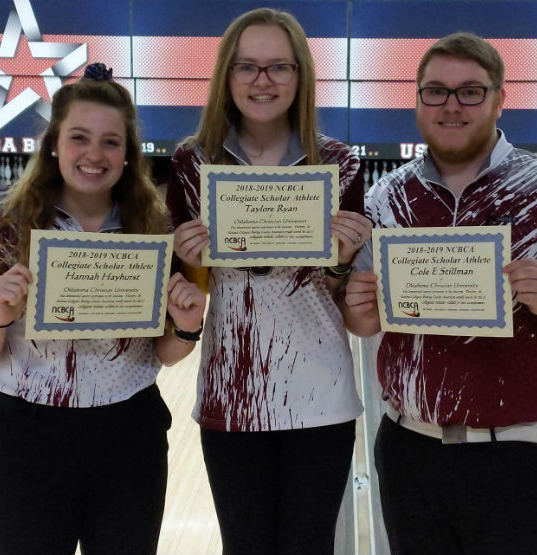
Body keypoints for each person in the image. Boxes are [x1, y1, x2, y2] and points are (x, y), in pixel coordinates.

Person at [344, 33, 537, 555]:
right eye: (436, 91)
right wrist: (361, 308)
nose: (451, 105)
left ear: (500, 99)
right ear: (418, 100)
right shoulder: (386, 197)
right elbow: (365, 323)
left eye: (471, 91)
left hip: (524, 460)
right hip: (410, 453)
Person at [0, 63, 206, 555]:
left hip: (130, 435)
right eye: (79, 138)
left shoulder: (153, 232)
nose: (94, 154)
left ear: (127, 155)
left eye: (111, 142)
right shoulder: (4, 227)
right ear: (54, 145)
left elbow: (164, 353)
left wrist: (188, 328)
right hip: (26, 439)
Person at [165, 8, 372, 554]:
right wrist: (189, 260)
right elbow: (190, 292)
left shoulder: (339, 163)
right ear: (227, 76)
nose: (263, 80)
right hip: (230, 387)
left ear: (300, 75)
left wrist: (341, 262)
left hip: (321, 391)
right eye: (247, 67)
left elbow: (345, 293)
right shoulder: (191, 163)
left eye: (279, 66)